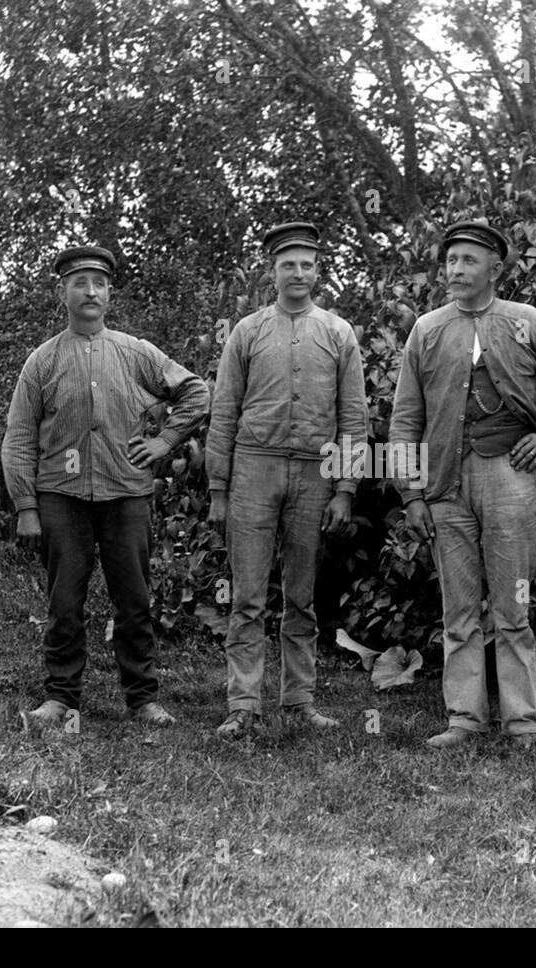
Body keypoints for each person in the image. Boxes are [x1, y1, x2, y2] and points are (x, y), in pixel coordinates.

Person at [388, 220, 536, 751]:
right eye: (451, 261)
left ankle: (521, 723)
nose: (456, 270)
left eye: (469, 261)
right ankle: (464, 720)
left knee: (512, 604)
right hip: (444, 483)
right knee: (458, 610)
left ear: (496, 269)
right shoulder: (427, 329)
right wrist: (411, 493)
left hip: (510, 476)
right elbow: (404, 420)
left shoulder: (526, 322)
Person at [2, 245, 209, 730]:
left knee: (134, 601)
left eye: (98, 283)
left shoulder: (138, 354)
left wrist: (164, 442)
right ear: (64, 293)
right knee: (64, 601)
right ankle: (59, 698)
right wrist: (26, 507)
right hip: (61, 498)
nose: (90, 291)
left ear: (109, 292)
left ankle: (142, 699)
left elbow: (196, 392)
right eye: (80, 283)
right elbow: (18, 438)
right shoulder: (42, 361)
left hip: (126, 495)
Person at [205, 222, 368, 739]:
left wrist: (344, 490)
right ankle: (243, 704)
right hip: (254, 468)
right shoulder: (248, 331)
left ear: (318, 272)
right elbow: (224, 411)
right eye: (287, 265)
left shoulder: (338, 333)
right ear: (272, 271)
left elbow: (354, 418)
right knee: (247, 596)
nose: (297, 274)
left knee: (301, 594)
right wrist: (218, 490)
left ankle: (300, 700)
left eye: (307, 265)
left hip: (315, 474)